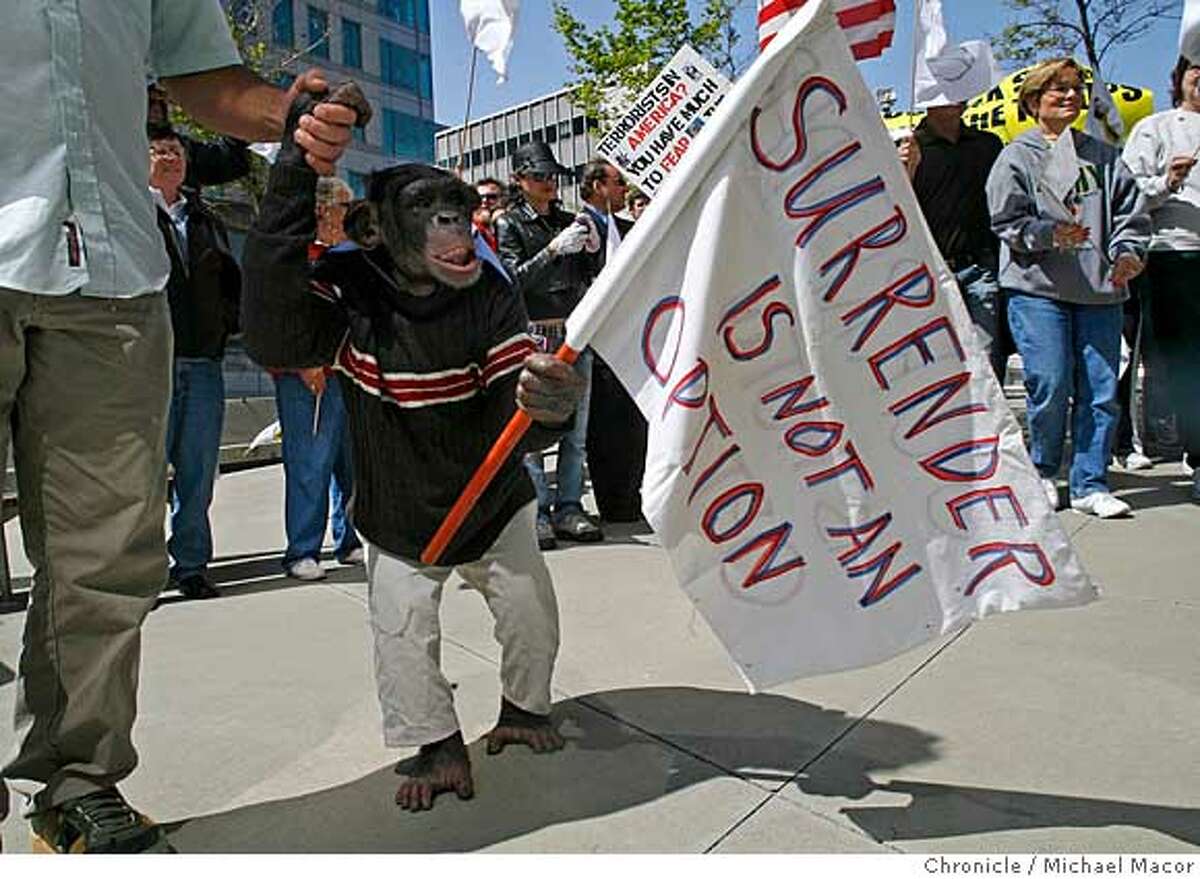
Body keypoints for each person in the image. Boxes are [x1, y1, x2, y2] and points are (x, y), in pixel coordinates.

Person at [0, 1, 354, 853]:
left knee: (109, 552)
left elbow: (206, 76)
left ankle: (78, 780)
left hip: (112, 271)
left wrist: (288, 114)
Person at [240, 84, 585, 811]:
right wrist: (294, 171)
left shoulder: (487, 290)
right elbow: (272, 330)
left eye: (457, 211)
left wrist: (548, 408)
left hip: (490, 496)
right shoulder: (349, 285)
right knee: (400, 630)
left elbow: (516, 410)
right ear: (376, 231)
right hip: (398, 504)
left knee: (530, 612)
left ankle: (523, 708)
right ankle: (434, 742)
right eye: (432, 216)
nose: (454, 229)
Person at [987, 57, 1151, 519]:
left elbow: (1131, 218)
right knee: (1050, 382)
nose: (1070, 96)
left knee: (1102, 390)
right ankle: (1042, 471)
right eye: (1057, 90)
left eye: (1076, 88)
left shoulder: (1105, 156)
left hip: (1101, 292)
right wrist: (1047, 235)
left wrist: (1127, 255)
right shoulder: (1016, 157)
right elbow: (1005, 221)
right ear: (1034, 101)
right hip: (1037, 291)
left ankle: (1090, 483)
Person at [496, 142, 603, 550]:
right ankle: (537, 509)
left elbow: (590, 275)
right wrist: (553, 250)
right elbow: (514, 281)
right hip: (536, 331)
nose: (549, 183)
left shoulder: (568, 220)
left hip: (574, 328)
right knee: (534, 423)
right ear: (520, 179)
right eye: (539, 176)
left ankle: (569, 506)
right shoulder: (510, 223)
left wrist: (592, 249)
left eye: (551, 176)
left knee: (577, 429)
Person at [150, 125, 242, 600]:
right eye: (161, 150)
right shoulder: (132, 211)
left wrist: (225, 327)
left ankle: (190, 564)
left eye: (178, 151)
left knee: (197, 470)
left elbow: (229, 280)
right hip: (148, 365)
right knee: (145, 475)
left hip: (203, 361)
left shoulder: (204, 216)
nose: (172, 158)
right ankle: (142, 571)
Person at [274, 177, 363, 581]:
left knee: (351, 464)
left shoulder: (348, 256)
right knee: (309, 462)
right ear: (324, 211)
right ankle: (302, 550)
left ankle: (349, 540)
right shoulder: (295, 256)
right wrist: (304, 361)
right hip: (308, 373)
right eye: (346, 207)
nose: (351, 215)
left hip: (348, 371)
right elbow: (284, 314)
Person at [1122, 56, 1200, 502]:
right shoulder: (1155, 128)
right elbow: (1128, 195)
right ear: (1180, 79)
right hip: (1176, 255)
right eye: (1196, 68)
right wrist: (1166, 182)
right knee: (1187, 363)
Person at [911, 102, 1009, 382]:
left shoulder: (988, 145)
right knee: (932, 366)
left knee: (987, 362)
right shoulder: (906, 148)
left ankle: (991, 427)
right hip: (927, 273)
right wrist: (906, 167)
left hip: (980, 267)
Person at [578, 160, 648, 523]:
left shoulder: (628, 228)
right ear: (597, 186)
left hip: (631, 337)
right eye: (618, 182)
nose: (624, 189)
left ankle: (631, 495)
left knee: (633, 425)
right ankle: (613, 500)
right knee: (605, 427)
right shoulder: (576, 228)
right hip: (595, 343)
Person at [473, 177, 504, 252]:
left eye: (492, 197)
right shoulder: (469, 230)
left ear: (503, 200)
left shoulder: (511, 225)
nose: (484, 201)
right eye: (479, 197)